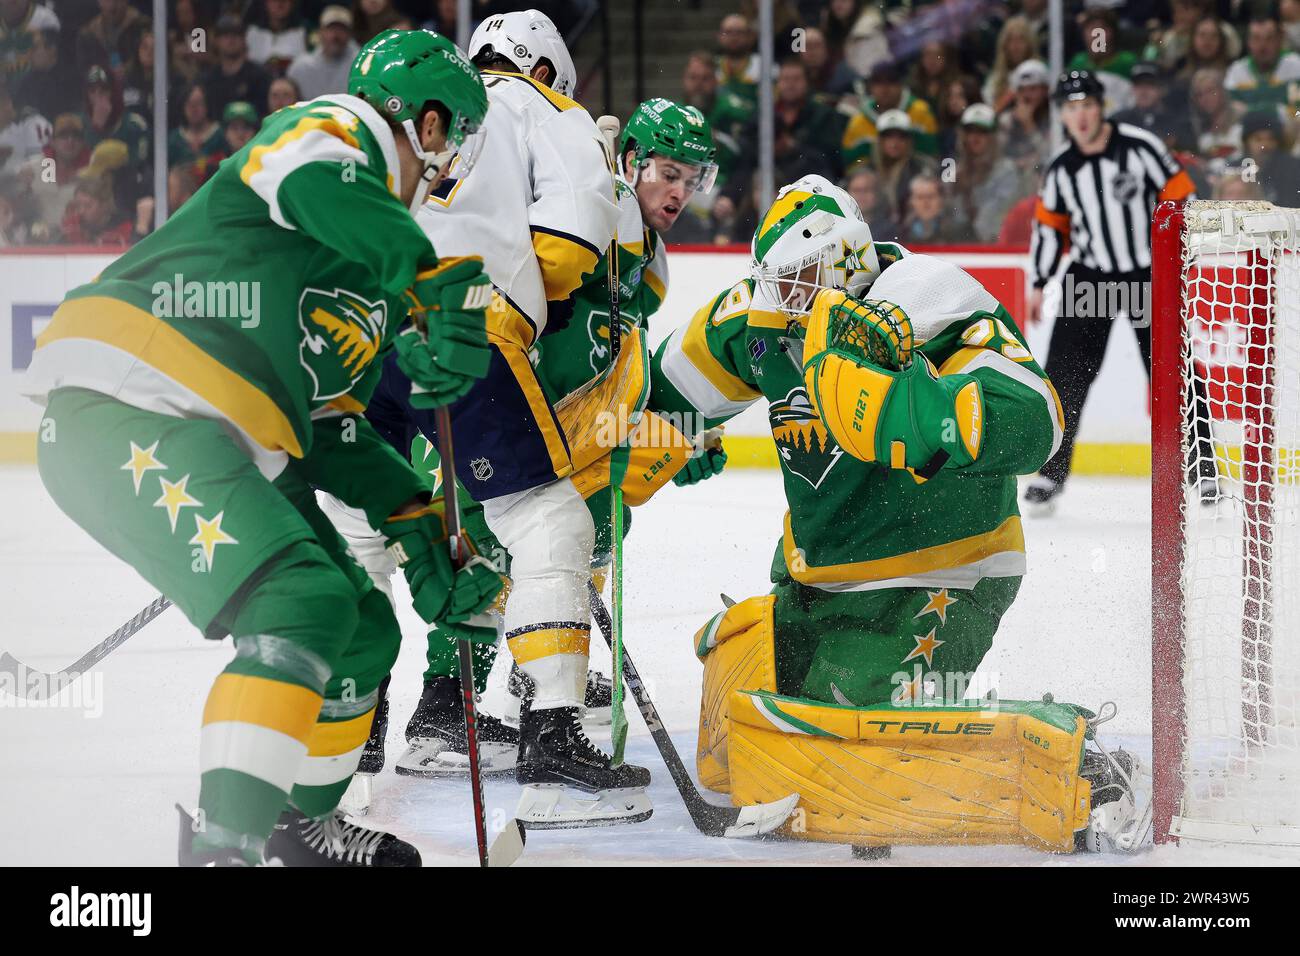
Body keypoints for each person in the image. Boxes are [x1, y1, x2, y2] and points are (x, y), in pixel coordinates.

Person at [22, 28, 498, 867]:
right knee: (301, 601)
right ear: (424, 123)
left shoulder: (373, 279)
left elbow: (332, 430)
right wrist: (425, 273)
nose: (453, 158)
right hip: (130, 400)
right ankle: (221, 851)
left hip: (216, 437)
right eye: (454, 133)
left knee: (358, 629)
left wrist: (418, 521)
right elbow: (318, 177)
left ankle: (289, 826)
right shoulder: (340, 127)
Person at [646, 175, 1141, 853]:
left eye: (803, 279)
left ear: (849, 258)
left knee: (849, 760)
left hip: (945, 575)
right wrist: (650, 442)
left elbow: (1040, 423)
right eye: (778, 282)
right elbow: (658, 393)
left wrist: (930, 416)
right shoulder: (760, 315)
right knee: (742, 742)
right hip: (815, 582)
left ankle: (1080, 768)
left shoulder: (928, 298)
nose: (787, 299)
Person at [320, 11, 656, 829]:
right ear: (549, 68)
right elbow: (573, 240)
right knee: (546, 520)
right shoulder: (551, 111)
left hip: (361, 330)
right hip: (467, 318)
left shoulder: (398, 103)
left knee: (358, 522)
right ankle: (551, 744)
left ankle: (341, 742)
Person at [1026, 70, 1214, 513]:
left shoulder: (1139, 147)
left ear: (1101, 106)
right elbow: (1051, 229)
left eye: (1087, 104)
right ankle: (1050, 474)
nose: (1081, 115)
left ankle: (1203, 468)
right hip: (1090, 278)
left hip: (1148, 275)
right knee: (1065, 376)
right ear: (1063, 116)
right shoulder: (1061, 169)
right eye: (1071, 108)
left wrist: (1181, 260)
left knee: (1174, 370)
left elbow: (1182, 198)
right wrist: (1038, 281)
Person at [948, 103, 1022, 243]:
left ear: (993, 136)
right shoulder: (953, 168)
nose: (975, 137)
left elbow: (997, 215)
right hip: (955, 245)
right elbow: (947, 213)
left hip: (992, 246)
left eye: (982, 131)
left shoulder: (1007, 170)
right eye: (970, 131)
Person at [1225, 11, 1300, 121]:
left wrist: (1251, 110)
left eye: (1269, 38)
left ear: (1279, 40)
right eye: (1256, 38)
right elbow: (1230, 112)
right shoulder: (1237, 70)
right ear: (1248, 42)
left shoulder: (1296, 65)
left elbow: (1299, 112)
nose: (1262, 45)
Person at [204, 15, 272, 121]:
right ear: (216, 41)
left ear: (244, 39)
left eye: (236, 34)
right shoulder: (209, 79)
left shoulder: (260, 76)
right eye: (225, 35)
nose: (231, 39)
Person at [287, 5, 359, 100]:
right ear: (320, 32)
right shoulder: (300, 68)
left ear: (350, 34)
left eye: (341, 29)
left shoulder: (360, 66)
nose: (335, 36)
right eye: (331, 29)